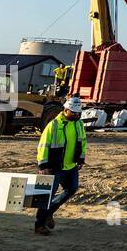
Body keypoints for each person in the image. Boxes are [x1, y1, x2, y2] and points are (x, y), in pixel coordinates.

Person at [34, 97, 87, 236]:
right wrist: (43, 165)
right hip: (54, 166)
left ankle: (49, 212)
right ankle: (39, 224)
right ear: (65, 110)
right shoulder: (54, 125)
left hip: (70, 166)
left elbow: (83, 141)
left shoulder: (79, 124)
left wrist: (81, 158)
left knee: (71, 189)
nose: (76, 115)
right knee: (47, 195)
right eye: (74, 113)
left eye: (78, 113)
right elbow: (43, 145)